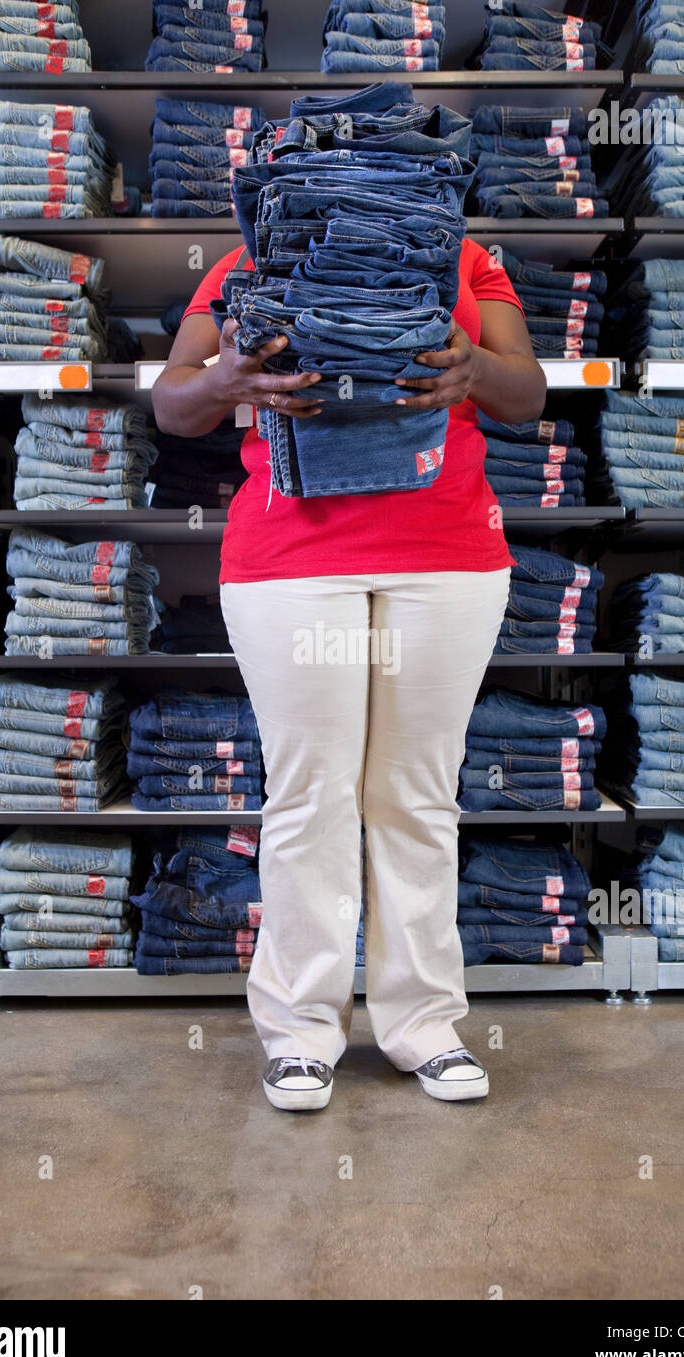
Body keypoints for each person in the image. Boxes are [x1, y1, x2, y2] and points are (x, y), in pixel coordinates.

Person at [152, 235, 546, 1111]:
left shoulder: (461, 256)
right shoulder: (254, 255)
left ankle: (424, 1025)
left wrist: (473, 369)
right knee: (309, 795)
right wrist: (227, 382)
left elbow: (527, 393)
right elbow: (172, 404)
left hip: (445, 556)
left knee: (417, 794)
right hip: (292, 558)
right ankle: (300, 1032)